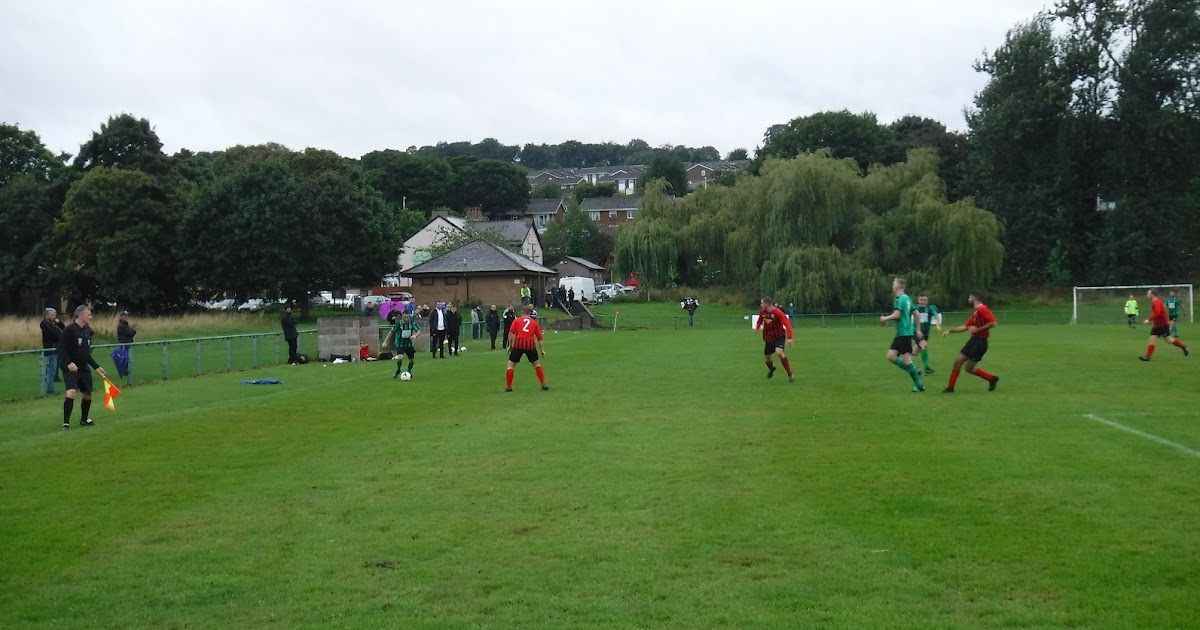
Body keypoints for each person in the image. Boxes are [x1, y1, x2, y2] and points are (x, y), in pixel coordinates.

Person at [57, 305, 108, 430]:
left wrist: (96, 367)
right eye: (88, 314)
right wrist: (69, 363)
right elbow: (60, 348)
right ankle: (66, 423)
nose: (91, 317)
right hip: (70, 367)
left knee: (88, 394)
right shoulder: (69, 330)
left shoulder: (87, 331)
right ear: (81, 316)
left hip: (83, 366)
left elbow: (85, 353)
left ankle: (84, 419)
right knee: (72, 392)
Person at [941, 291, 999, 392]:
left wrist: (978, 329)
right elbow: (965, 327)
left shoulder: (982, 309)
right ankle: (950, 388)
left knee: (969, 368)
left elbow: (993, 323)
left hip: (980, 343)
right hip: (973, 341)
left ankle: (992, 378)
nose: (968, 299)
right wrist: (950, 331)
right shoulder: (976, 311)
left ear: (974, 298)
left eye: (969, 297)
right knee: (957, 363)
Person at [879, 278, 925, 392]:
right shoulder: (907, 298)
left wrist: (885, 318)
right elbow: (917, 315)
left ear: (898, 286)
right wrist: (918, 330)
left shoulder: (901, 299)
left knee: (907, 360)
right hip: (902, 333)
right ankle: (914, 371)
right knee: (890, 356)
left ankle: (919, 385)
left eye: (893, 284)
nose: (892, 286)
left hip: (904, 333)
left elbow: (897, 315)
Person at [506, 304, 549, 392]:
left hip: (518, 345)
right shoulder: (534, 323)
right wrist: (542, 350)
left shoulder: (517, 321)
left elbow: (511, 334)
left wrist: (510, 346)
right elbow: (539, 338)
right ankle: (543, 383)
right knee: (537, 364)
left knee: (511, 366)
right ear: (530, 313)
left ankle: (509, 386)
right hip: (530, 345)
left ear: (522, 313)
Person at [1140, 288, 1189, 361]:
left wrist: (1148, 320)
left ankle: (1183, 347)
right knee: (1152, 339)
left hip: (1163, 325)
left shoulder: (1156, 302)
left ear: (1152, 295)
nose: (1147, 295)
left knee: (1169, 340)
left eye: (1148, 294)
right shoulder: (1155, 302)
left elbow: (1158, 313)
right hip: (1157, 325)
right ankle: (1148, 356)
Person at [754, 297, 795, 382]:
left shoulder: (777, 312)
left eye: (762, 303)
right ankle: (772, 369)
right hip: (768, 338)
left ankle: (789, 373)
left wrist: (790, 338)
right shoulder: (762, 312)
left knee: (779, 352)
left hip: (779, 336)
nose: (761, 305)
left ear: (766, 304)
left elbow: (787, 324)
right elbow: (759, 321)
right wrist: (757, 327)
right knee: (767, 359)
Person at [383, 310, 421, 378]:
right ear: (402, 316)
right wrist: (385, 341)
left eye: (407, 317)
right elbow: (391, 332)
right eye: (405, 317)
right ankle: (398, 370)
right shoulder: (398, 324)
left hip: (409, 344)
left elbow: (418, 331)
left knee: (412, 360)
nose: (406, 318)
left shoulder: (411, 323)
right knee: (400, 357)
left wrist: (415, 335)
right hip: (400, 344)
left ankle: (409, 372)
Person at [914, 293, 942, 375]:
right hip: (916, 331)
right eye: (921, 300)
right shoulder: (914, 308)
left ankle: (902, 351)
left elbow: (936, 315)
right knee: (924, 345)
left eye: (924, 300)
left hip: (925, 334)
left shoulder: (930, 308)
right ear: (918, 300)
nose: (923, 302)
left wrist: (937, 324)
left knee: (915, 352)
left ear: (927, 301)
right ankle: (927, 368)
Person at [40, 307, 64, 395]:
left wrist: (59, 322)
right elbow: (55, 334)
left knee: (54, 369)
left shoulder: (54, 323)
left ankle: (51, 386)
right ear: (47, 316)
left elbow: (63, 328)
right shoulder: (45, 324)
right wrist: (60, 334)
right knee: (51, 370)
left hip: (56, 349)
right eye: (52, 315)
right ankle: (50, 389)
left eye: (55, 315)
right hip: (51, 349)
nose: (54, 316)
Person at [113, 310, 137, 378]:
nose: (126, 317)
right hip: (124, 343)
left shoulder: (125, 325)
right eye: (125, 316)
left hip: (127, 343)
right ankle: (123, 373)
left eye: (127, 316)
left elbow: (132, 331)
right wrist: (132, 331)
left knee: (126, 358)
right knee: (124, 359)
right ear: (121, 317)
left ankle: (124, 373)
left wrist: (132, 331)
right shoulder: (121, 326)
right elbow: (130, 333)